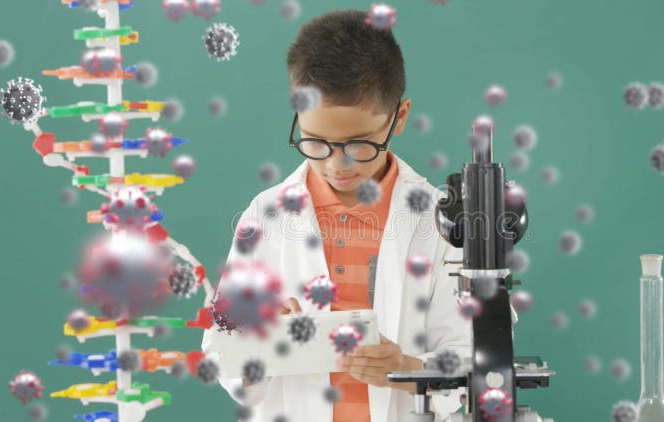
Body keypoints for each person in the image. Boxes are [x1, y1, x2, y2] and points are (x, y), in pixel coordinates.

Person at [202, 9, 471, 422]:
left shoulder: (440, 223)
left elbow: (475, 362)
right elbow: (222, 358)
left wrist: (408, 370)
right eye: (315, 142)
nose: (337, 165)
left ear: (398, 118)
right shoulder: (266, 217)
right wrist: (262, 339)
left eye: (359, 145)